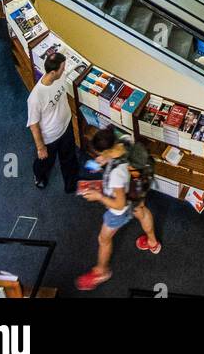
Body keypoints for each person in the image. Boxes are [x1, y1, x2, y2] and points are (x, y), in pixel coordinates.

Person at [76, 125, 161, 290]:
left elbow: (119, 204)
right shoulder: (123, 139)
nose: (98, 158)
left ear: (105, 151)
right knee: (142, 212)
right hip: (137, 189)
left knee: (103, 239)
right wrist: (104, 160)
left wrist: (99, 196)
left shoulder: (116, 174)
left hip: (120, 206)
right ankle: (152, 242)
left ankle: (101, 271)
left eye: (99, 154)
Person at [27, 51, 79, 193]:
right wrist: (40, 147)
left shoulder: (59, 78)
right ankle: (39, 176)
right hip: (50, 138)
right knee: (45, 163)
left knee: (69, 158)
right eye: (62, 68)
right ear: (53, 72)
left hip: (66, 126)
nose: (64, 70)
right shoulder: (36, 97)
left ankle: (71, 184)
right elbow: (33, 125)